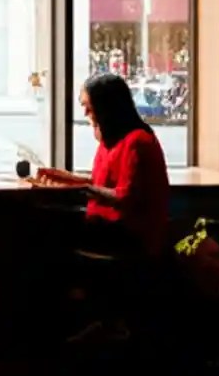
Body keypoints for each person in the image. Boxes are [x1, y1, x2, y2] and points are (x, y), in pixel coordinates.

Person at [40, 73, 171, 258]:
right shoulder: (110, 139)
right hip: (105, 224)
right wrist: (64, 178)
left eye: (88, 107)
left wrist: (83, 188)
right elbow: (101, 182)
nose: (85, 114)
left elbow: (125, 197)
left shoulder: (137, 141)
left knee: (41, 225)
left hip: (129, 235)